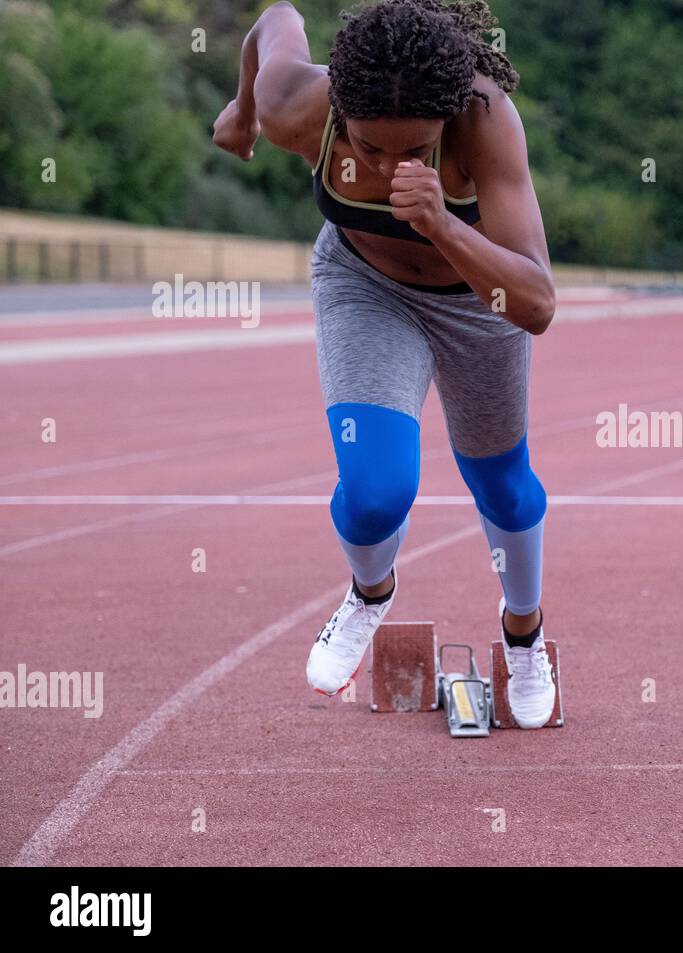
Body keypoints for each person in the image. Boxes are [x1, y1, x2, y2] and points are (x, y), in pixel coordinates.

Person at [212, 0, 556, 726]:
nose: (387, 165)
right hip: (364, 288)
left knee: (507, 492)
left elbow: (534, 302)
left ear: (448, 118)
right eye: (369, 147)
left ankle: (523, 634)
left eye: (413, 151)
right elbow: (276, 18)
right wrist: (244, 111)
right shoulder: (300, 107)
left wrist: (438, 223)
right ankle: (370, 596)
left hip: (475, 300)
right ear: (341, 109)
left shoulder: (483, 122)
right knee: (375, 493)